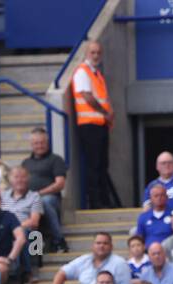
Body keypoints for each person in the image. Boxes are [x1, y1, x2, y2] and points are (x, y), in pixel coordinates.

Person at [72, 41, 114, 209]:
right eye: (92, 52)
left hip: (100, 124)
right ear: (86, 54)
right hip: (89, 125)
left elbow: (102, 98)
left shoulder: (96, 74)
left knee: (102, 164)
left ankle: (104, 200)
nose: (96, 56)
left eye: (98, 52)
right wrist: (106, 112)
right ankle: (96, 202)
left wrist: (108, 114)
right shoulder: (83, 72)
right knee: (94, 164)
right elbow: (87, 97)